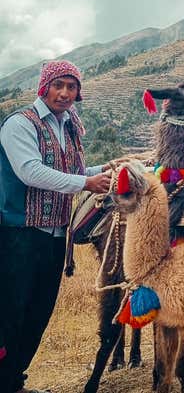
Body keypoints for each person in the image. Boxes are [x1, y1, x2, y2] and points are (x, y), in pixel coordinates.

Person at [0, 61, 111, 393]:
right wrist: (87, 182)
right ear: (43, 86)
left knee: (37, 313)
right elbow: (30, 171)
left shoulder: (69, 126)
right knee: (10, 312)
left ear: (78, 93)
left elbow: (73, 171)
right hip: (17, 234)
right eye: (58, 85)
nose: (64, 93)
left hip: (54, 236)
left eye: (71, 87)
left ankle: (13, 381)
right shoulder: (20, 124)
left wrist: (104, 170)